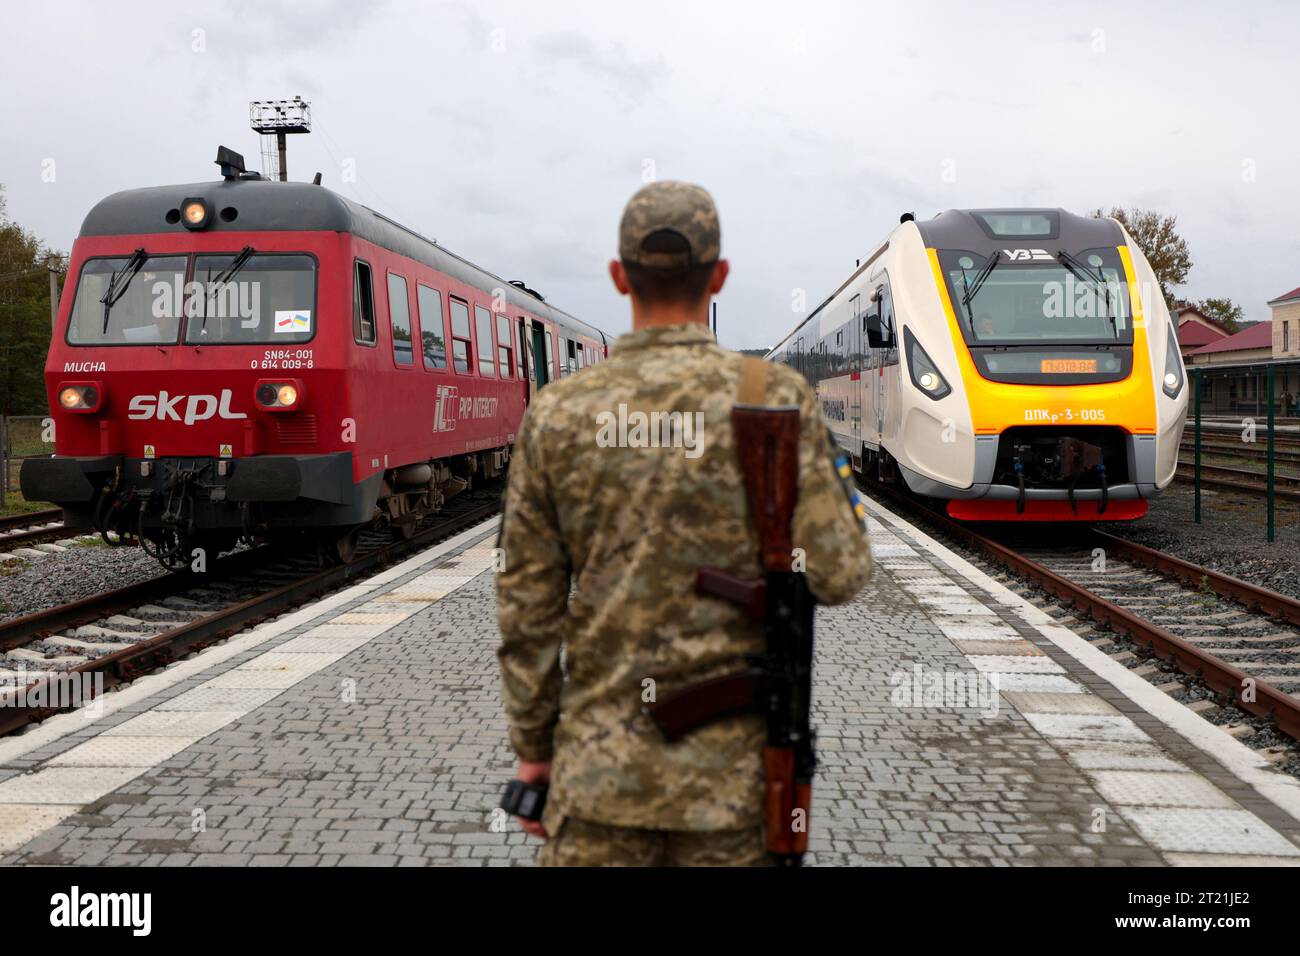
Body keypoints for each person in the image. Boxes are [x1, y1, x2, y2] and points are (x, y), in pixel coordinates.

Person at [494, 181, 873, 866]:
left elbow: (526, 608)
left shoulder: (558, 413)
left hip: (596, 783)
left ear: (618, 277)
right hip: (734, 792)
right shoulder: (774, 399)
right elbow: (843, 572)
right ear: (720, 276)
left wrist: (533, 752)